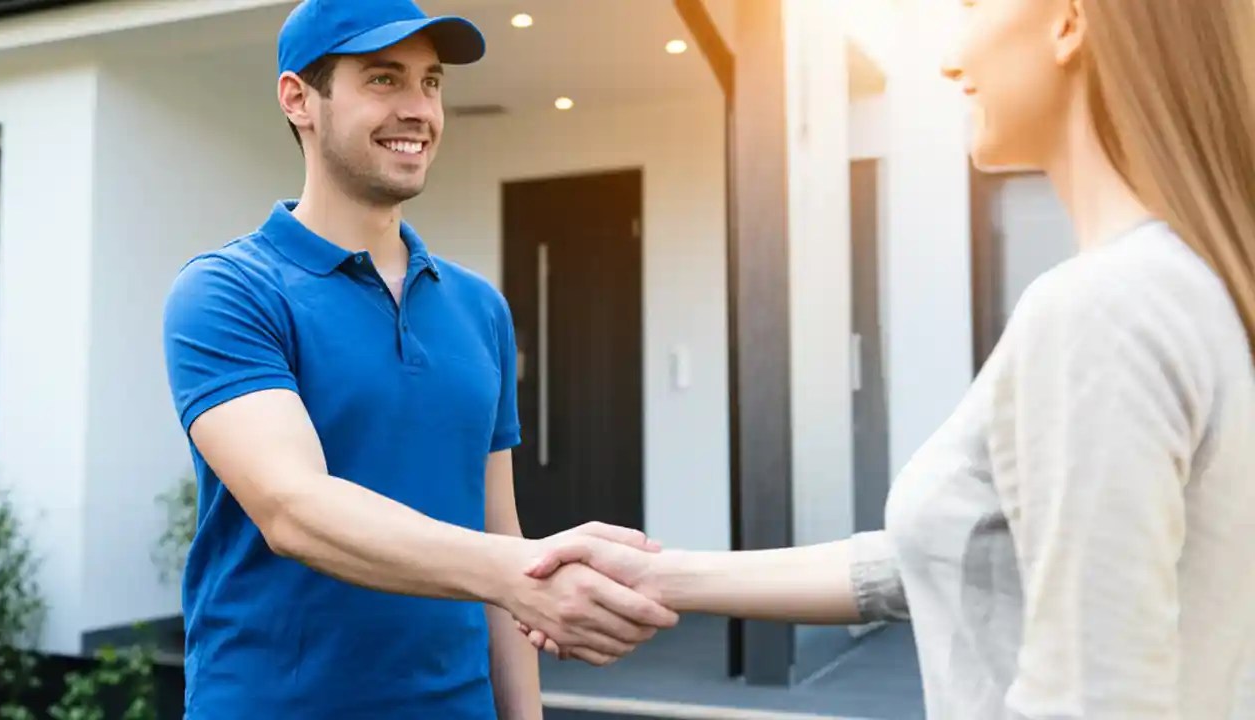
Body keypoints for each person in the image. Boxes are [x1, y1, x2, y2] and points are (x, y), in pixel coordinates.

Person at [518, 0, 1255, 717]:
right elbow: (966, 556)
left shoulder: (1104, 308)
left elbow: (1092, 700)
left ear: (1068, 21)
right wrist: (662, 576)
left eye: (971, 5)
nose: (948, 59)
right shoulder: (1193, 285)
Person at [160, 1, 676, 718]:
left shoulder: (478, 308)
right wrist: (516, 575)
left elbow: (500, 530)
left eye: (430, 82)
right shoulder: (228, 291)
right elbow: (293, 509)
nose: (419, 109)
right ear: (298, 99)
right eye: (382, 79)